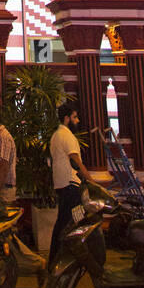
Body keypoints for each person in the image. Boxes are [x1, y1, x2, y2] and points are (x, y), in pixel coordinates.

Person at [47, 101, 89, 269]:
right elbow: (76, 161)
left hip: (62, 184)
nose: (77, 121)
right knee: (71, 224)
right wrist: (91, 180)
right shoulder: (68, 136)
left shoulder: (56, 136)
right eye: (74, 117)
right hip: (72, 185)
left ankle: (57, 259)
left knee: (63, 223)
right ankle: (62, 260)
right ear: (66, 119)